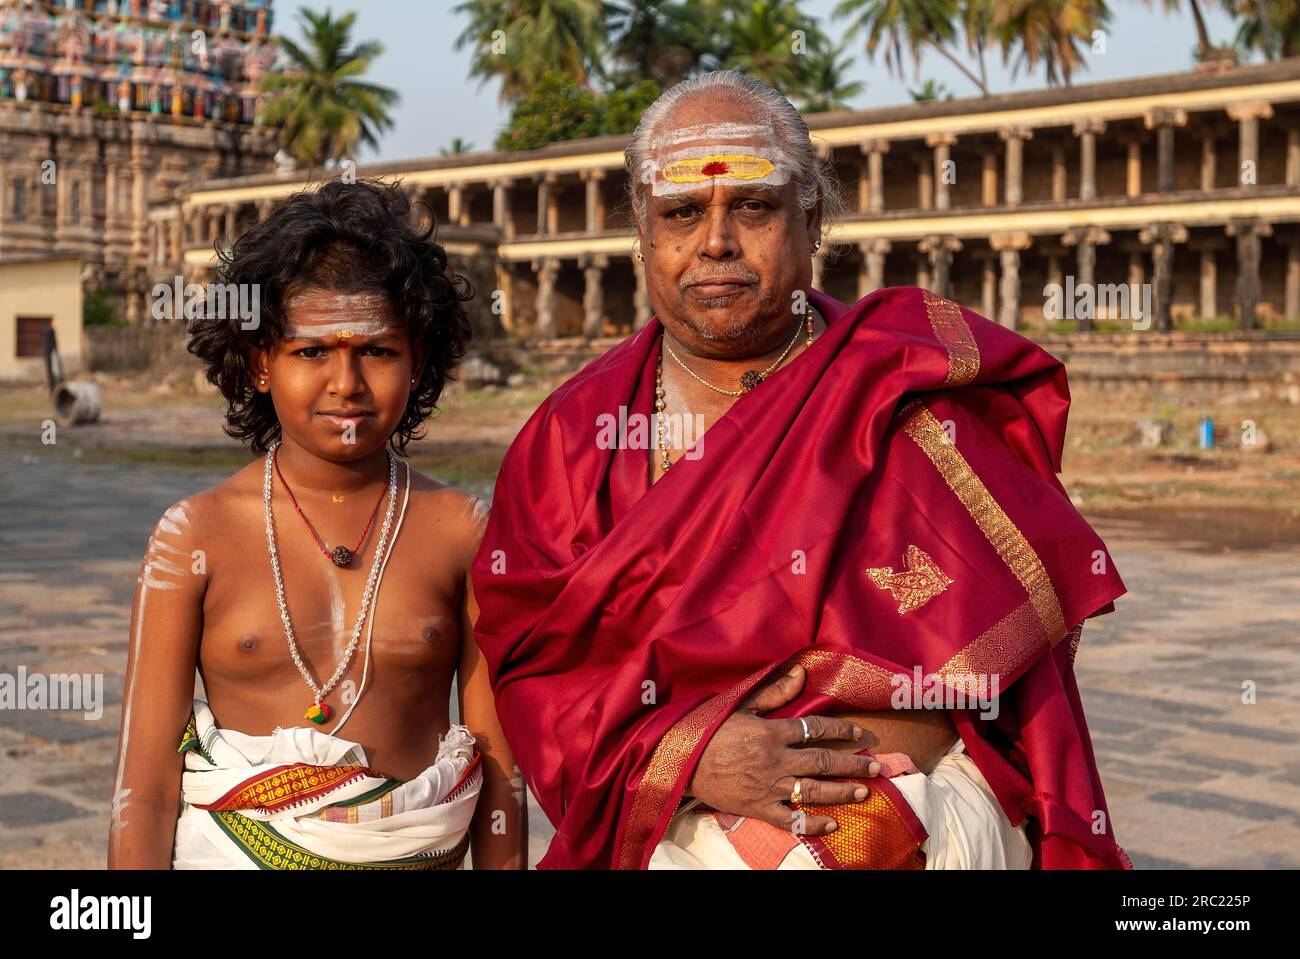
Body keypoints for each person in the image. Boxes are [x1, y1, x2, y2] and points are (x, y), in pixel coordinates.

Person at [472, 71, 1131, 870]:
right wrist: (683, 759)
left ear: (812, 215)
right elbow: (534, 679)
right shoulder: (571, 441)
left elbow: (1023, 652)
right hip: (682, 841)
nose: (715, 240)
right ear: (642, 230)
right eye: (682, 212)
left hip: (939, 830)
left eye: (753, 206)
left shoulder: (907, 386)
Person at [109, 179, 526, 870]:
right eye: (311, 352)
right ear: (260, 363)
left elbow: (500, 773)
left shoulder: (461, 530)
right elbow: (145, 788)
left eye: (378, 351)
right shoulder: (194, 536)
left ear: (417, 360)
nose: (346, 383)